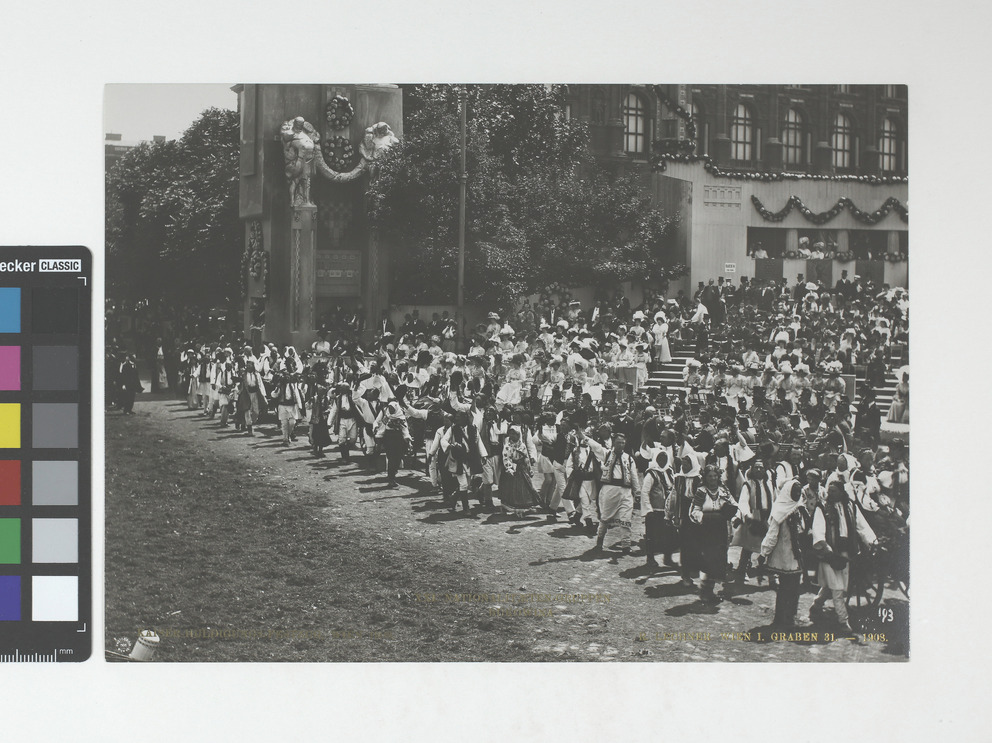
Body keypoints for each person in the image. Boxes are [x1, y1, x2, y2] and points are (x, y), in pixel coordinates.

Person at [809, 480, 879, 631]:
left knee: (834, 584)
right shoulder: (822, 508)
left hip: (847, 552)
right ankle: (843, 621)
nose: (830, 494)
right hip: (829, 552)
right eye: (829, 491)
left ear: (841, 492)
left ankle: (817, 604)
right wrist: (825, 548)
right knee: (837, 588)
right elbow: (818, 529)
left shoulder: (851, 506)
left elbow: (862, 526)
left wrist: (872, 541)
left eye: (833, 491)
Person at [758, 478, 810, 626]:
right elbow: (772, 535)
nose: (798, 494)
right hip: (783, 556)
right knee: (785, 587)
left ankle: (790, 616)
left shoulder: (800, 509)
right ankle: (781, 618)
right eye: (795, 491)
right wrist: (764, 553)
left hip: (796, 555)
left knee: (794, 587)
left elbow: (804, 529)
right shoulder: (780, 510)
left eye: (799, 491)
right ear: (788, 492)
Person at [582, 429, 640, 554]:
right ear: (613, 443)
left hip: (625, 492)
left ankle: (626, 545)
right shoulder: (607, 454)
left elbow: (634, 476)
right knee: (605, 518)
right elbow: (595, 446)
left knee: (626, 519)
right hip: (609, 491)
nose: (621, 445)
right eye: (618, 443)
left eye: (623, 443)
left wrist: (638, 493)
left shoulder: (628, 458)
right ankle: (599, 542)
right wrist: (581, 435)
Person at [686, 464, 737, 603]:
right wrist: (705, 517)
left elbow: (734, 504)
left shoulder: (723, 490)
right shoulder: (701, 491)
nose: (713, 478)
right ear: (705, 477)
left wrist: (733, 515)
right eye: (710, 476)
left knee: (718, 559)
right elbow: (694, 511)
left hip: (721, 528)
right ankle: (705, 591)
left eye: (715, 476)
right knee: (708, 559)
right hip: (706, 529)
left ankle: (709, 591)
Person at [640, 450, 675, 568]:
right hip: (655, 510)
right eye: (660, 458)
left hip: (667, 511)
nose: (663, 461)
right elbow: (645, 492)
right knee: (652, 536)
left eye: (665, 458)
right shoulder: (651, 474)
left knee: (669, 535)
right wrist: (648, 509)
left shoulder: (669, 472)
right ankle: (650, 558)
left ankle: (668, 558)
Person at [499, 426, 540, 517]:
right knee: (510, 489)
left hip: (521, 469)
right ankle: (510, 507)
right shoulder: (507, 446)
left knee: (523, 488)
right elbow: (506, 458)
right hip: (512, 469)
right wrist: (509, 468)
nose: (513, 436)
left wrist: (529, 469)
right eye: (511, 434)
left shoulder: (522, 445)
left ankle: (522, 508)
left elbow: (526, 458)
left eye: (515, 434)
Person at [375, 400, 412, 487]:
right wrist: (379, 440)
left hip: (399, 438)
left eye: (392, 408)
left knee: (398, 458)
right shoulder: (386, 416)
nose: (390, 410)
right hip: (389, 438)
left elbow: (405, 428)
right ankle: (391, 478)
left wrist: (407, 439)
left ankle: (392, 473)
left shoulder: (401, 416)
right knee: (391, 458)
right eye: (389, 408)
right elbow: (382, 428)